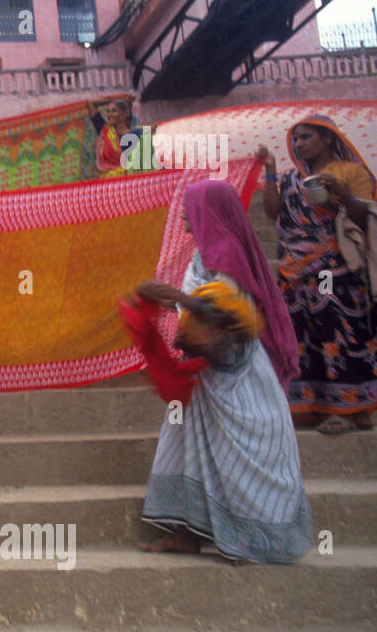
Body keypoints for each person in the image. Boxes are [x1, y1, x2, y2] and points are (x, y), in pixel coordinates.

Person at [131, 179, 311, 563]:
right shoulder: (204, 256)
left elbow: (234, 320)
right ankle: (186, 533)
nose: (182, 214)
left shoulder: (227, 255)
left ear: (206, 212)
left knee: (237, 455)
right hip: (208, 374)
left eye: (188, 207)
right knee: (185, 448)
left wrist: (175, 298)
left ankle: (248, 537)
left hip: (235, 377)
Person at [260, 116, 376, 434]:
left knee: (335, 332)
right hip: (293, 270)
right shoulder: (290, 177)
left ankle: (348, 409)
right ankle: (307, 405)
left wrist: (344, 194)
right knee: (299, 337)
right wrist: (270, 172)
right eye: (295, 139)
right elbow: (272, 213)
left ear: (327, 139)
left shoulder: (350, 172)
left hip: (333, 267)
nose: (299, 144)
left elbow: (366, 217)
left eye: (306, 137)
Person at [91, 97, 140, 177]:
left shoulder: (136, 135)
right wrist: (114, 99)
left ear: (125, 114)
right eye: (108, 111)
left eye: (114, 111)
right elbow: (91, 104)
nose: (109, 115)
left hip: (130, 181)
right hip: (108, 183)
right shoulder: (104, 131)